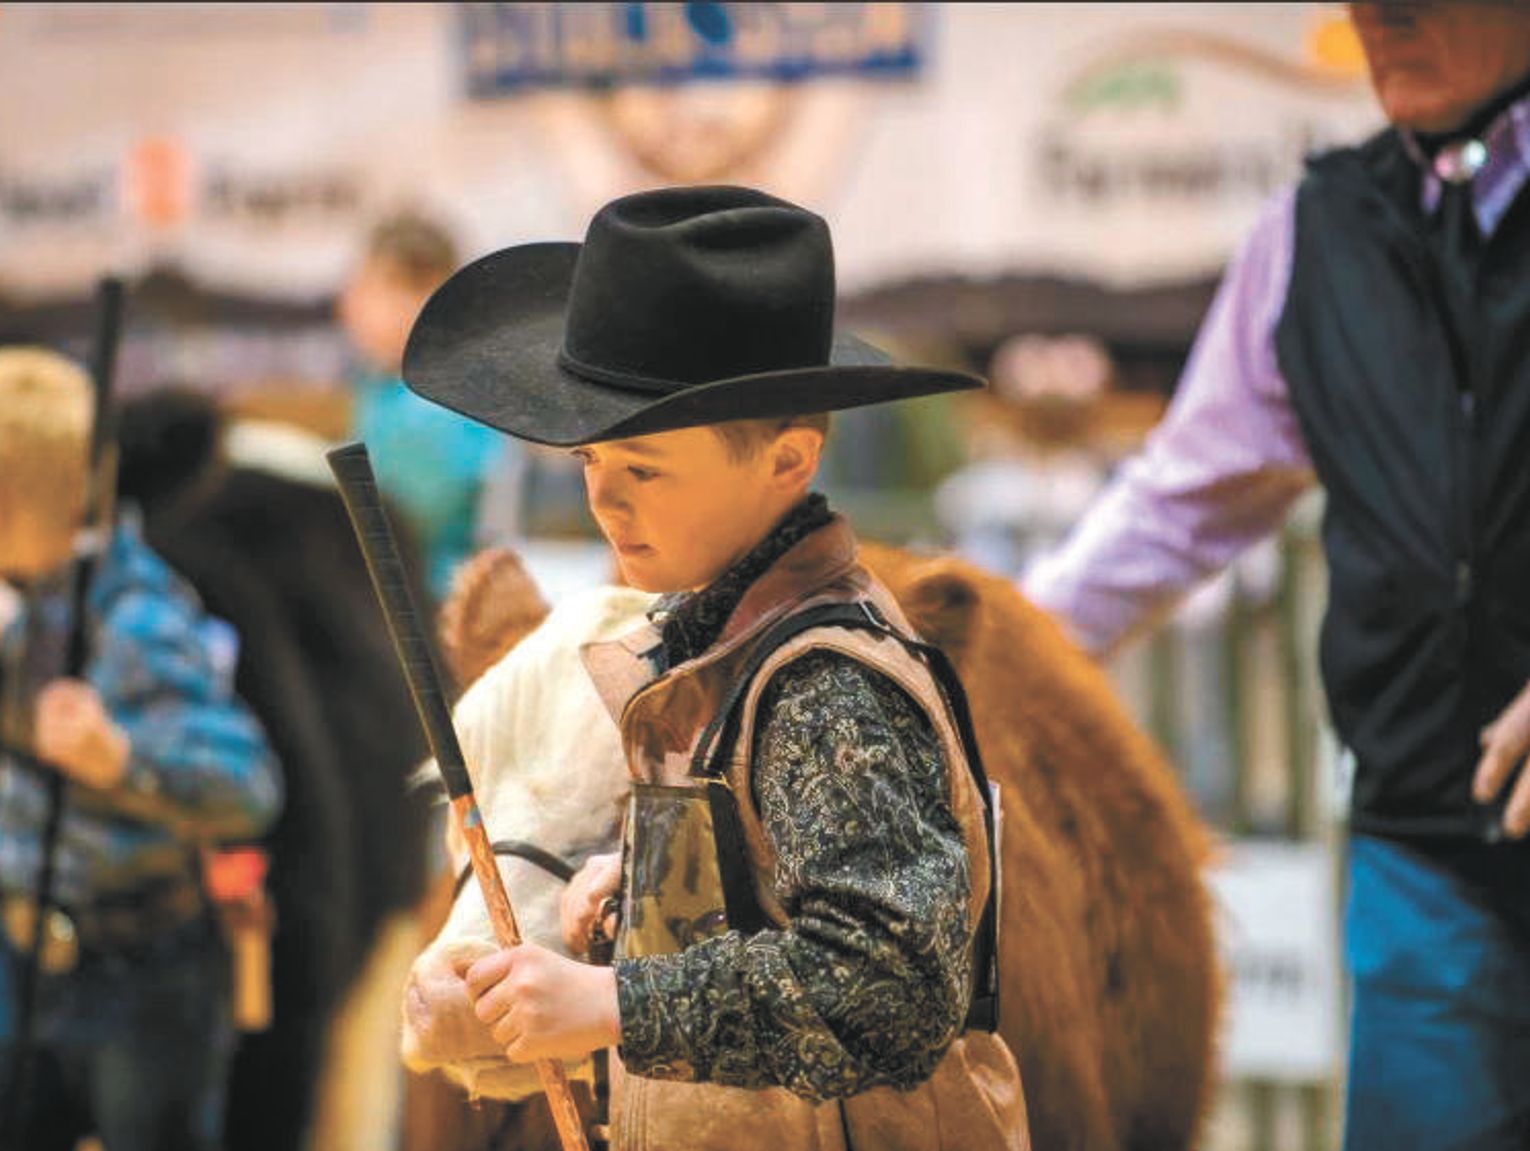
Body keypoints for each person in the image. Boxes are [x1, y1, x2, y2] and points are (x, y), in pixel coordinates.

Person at [399, 185, 1027, 1150]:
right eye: (591, 462)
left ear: (787, 461)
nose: (606, 503)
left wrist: (614, 1001)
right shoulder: (730, 645)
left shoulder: (824, 686)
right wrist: (647, 883)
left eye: (644, 468)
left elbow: (889, 987)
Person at [1021, 4, 1530, 1148]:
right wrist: (967, 655)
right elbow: (1181, 498)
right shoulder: (1315, 228)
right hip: (1426, 840)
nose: (1383, 20)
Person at [0, 347, 282, 1151]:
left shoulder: (138, 621)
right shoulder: (20, 595)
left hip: (141, 966)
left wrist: (120, 758)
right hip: (19, 946)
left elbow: (248, 786)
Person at [339, 210, 525, 600]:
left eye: (378, 287)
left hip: (430, 608)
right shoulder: (382, 386)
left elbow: (391, 527)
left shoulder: (430, 406)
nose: (351, 301)